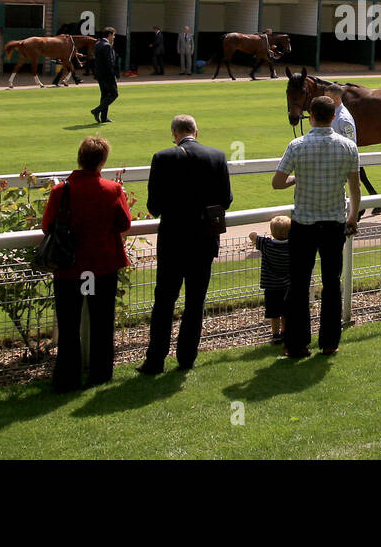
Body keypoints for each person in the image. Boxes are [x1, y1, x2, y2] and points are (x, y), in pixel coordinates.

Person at [138, 114, 233, 373]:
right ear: (196, 132)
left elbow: (154, 207)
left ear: (174, 133)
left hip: (173, 239)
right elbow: (226, 199)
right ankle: (187, 358)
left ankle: (155, 359)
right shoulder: (217, 156)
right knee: (195, 301)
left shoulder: (163, 157)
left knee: (165, 300)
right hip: (203, 239)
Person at [43, 136, 132, 391]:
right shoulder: (112, 190)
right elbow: (124, 224)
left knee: (69, 326)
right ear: (102, 161)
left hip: (69, 268)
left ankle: (67, 378)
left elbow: (48, 225)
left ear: (80, 158)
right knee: (102, 323)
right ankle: (100, 374)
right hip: (101, 267)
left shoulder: (61, 190)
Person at [273, 96, 360, 357]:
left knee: (299, 284)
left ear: (310, 116)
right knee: (332, 283)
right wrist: (353, 216)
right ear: (333, 117)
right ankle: (329, 343)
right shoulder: (347, 147)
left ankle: (296, 345)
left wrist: (295, 179)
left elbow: (277, 183)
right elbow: (354, 189)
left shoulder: (297, 145)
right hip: (334, 224)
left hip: (304, 225)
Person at [249, 216, 291, 345]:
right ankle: (285, 333)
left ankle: (275, 335)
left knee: (274, 314)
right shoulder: (292, 246)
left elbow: (252, 235)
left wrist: (258, 236)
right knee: (286, 312)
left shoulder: (267, 244)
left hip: (272, 287)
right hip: (288, 286)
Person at [90, 27, 119, 124]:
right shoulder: (107, 46)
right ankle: (97, 110)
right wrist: (113, 75)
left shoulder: (98, 44)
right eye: (113, 35)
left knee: (105, 95)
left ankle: (104, 117)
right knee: (114, 94)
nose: (114, 37)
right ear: (110, 35)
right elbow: (109, 62)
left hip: (100, 75)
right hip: (107, 75)